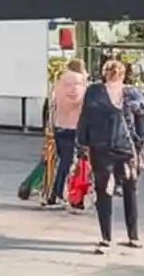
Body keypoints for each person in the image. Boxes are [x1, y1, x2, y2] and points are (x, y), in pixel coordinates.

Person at [76, 59, 144, 254]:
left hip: (100, 147)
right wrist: (143, 146)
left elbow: (84, 118)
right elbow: (142, 121)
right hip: (126, 148)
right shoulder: (133, 93)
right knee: (129, 190)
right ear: (123, 74)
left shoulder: (94, 92)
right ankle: (133, 236)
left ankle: (106, 237)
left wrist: (82, 145)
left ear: (103, 73)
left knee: (104, 191)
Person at [45, 58, 88, 207]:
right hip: (75, 127)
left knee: (62, 160)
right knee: (71, 162)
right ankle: (61, 193)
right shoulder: (81, 82)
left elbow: (52, 105)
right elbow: (83, 104)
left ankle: (55, 192)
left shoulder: (58, 83)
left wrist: (50, 125)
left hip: (59, 125)